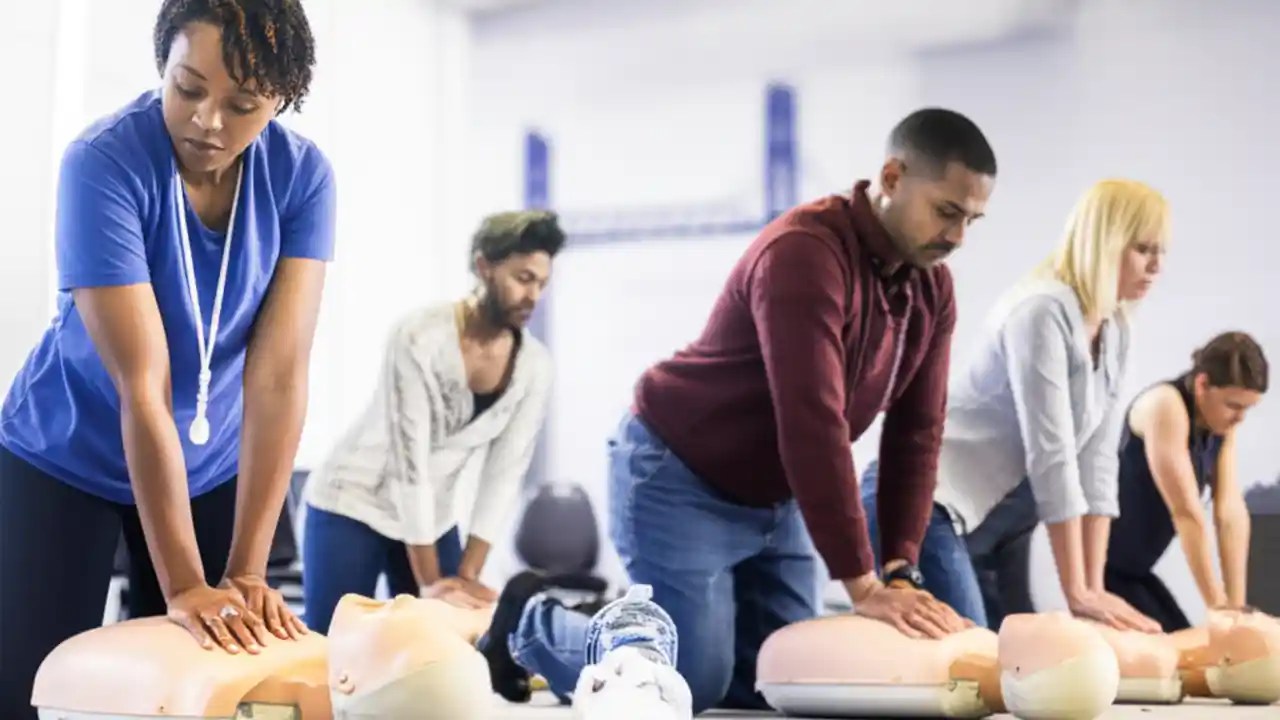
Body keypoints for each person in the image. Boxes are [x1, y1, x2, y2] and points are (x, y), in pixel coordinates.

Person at [479, 108, 998, 713]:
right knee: (688, 681)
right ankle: (532, 621)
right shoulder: (805, 252)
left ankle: (635, 627)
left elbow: (917, 432)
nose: (958, 236)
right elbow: (812, 420)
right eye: (947, 212)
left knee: (780, 678)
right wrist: (861, 584)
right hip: (679, 474)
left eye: (972, 220)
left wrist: (900, 566)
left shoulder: (932, 289)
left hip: (776, 496)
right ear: (891, 176)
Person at [0, 2, 334, 718]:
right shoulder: (104, 162)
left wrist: (246, 568)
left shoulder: (302, 178)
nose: (209, 121)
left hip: (207, 464)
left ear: (281, 98)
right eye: (188, 89)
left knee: (213, 673)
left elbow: (277, 377)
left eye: (242, 104)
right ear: (163, 69)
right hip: (66, 453)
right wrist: (185, 585)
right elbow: (140, 386)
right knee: (30, 689)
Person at [864, 179, 1168, 633]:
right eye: (1144, 249)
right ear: (1106, 241)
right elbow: (1053, 455)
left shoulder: (1116, 328)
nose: (1156, 266)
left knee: (1021, 669)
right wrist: (1077, 592)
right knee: (973, 659)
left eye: (1162, 252)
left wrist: (1094, 585)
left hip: (1000, 521)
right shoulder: (1041, 312)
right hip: (926, 506)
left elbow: (1098, 462)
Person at [300, 211, 560, 633]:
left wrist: (467, 577)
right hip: (352, 501)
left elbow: (504, 474)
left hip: (431, 516)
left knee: (444, 645)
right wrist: (430, 585)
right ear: (484, 267)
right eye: (523, 278)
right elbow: (411, 461)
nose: (533, 294)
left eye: (541, 283)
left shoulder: (535, 366)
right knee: (334, 651)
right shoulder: (420, 334)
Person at [1105, 332, 1268, 631]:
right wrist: (1219, 611)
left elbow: (1229, 512)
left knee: (1192, 650)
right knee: (1179, 661)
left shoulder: (1221, 422)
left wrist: (1236, 609)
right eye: (1233, 405)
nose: (1240, 419)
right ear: (1203, 384)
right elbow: (1187, 515)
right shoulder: (1166, 405)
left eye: (1247, 409)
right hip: (1100, 573)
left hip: (1135, 571)